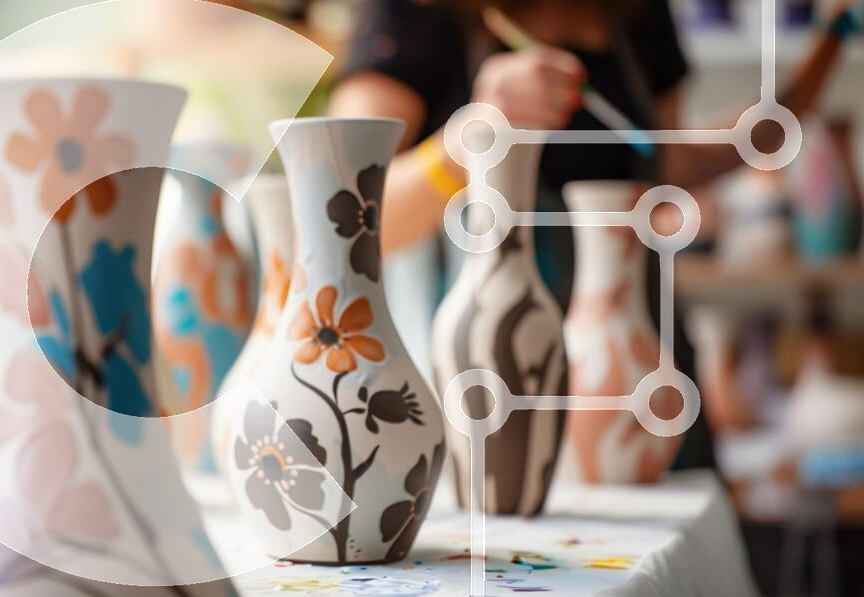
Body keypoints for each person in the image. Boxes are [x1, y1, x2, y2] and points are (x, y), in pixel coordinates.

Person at [330, 0, 857, 470]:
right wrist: (471, 135)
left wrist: (829, 44)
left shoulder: (636, 13)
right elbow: (345, 209)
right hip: (483, 388)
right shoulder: (412, 16)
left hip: (644, 365)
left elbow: (668, 159)